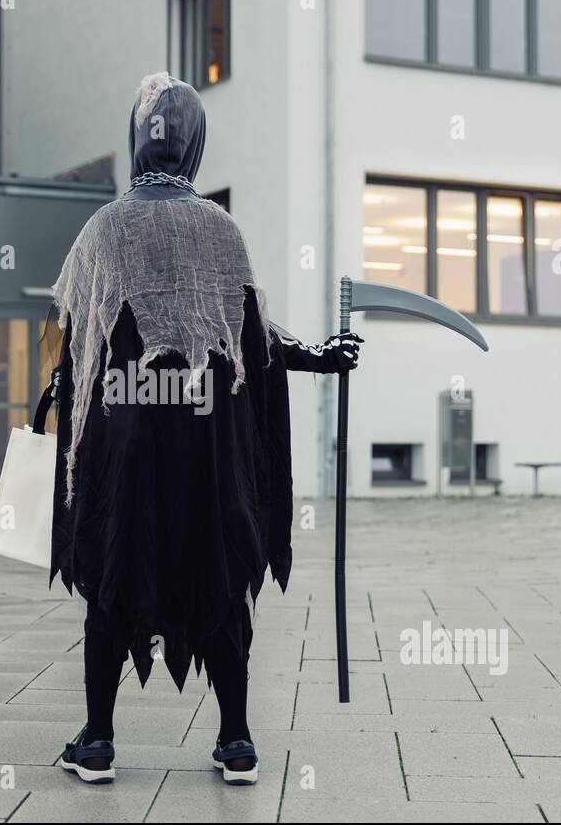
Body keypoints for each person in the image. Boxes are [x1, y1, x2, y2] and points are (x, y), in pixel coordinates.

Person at [49, 72, 360, 785]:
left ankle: (98, 740)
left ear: (137, 140)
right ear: (195, 145)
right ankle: (238, 740)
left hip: (125, 446)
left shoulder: (103, 228)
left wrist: (59, 406)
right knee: (219, 575)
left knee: (113, 574)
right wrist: (315, 355)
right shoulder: (221, 230)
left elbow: (75, 339)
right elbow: (251, 337)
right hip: (208, 446)